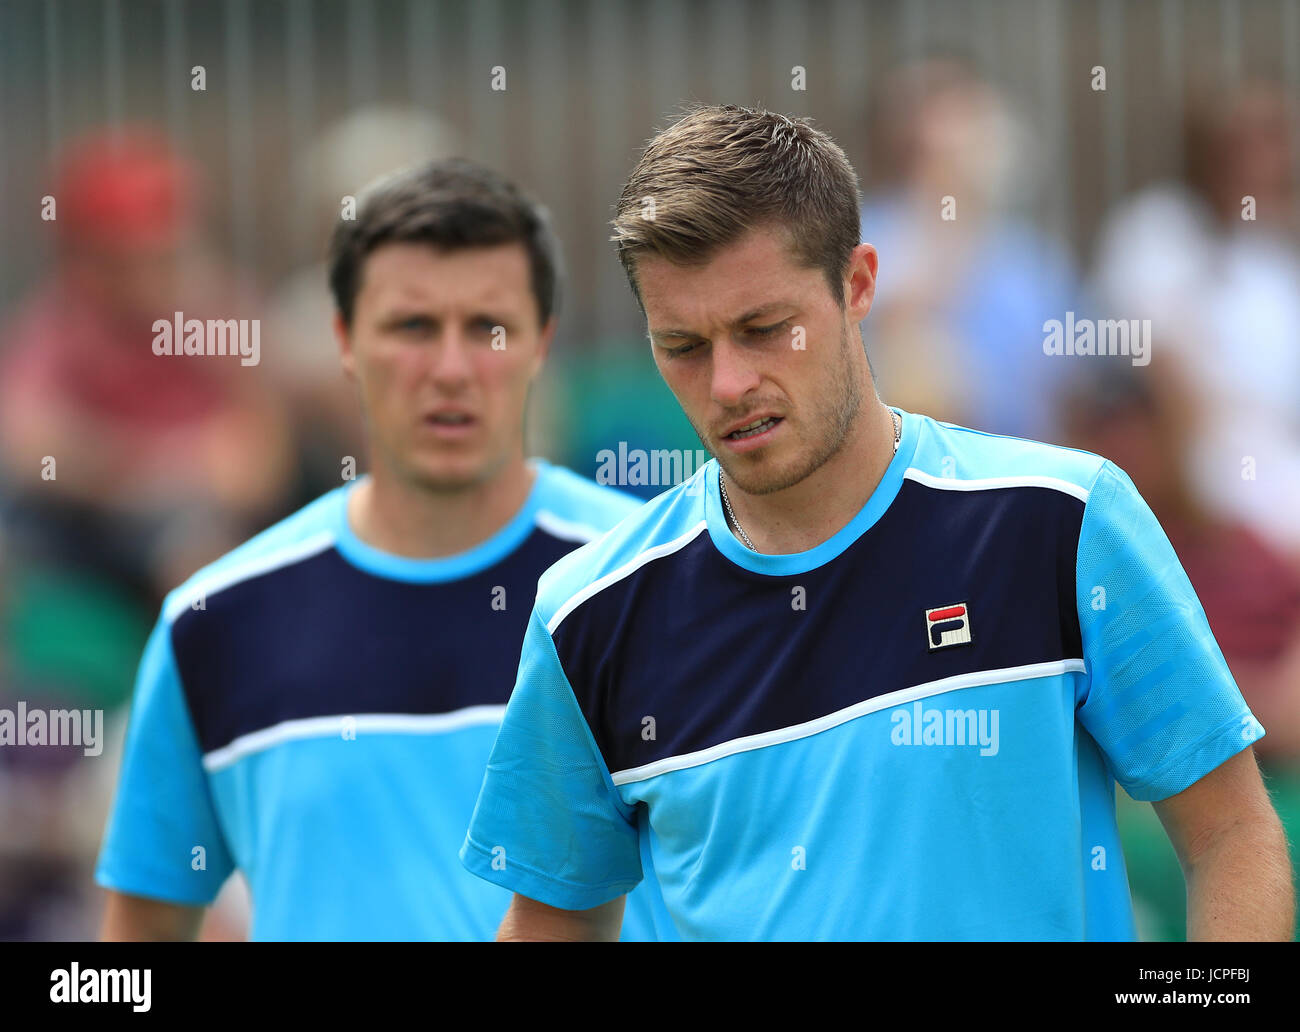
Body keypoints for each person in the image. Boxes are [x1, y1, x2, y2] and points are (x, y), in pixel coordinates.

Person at [460, 105, 1294, 941]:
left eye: (763, 329)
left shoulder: (1061, 523)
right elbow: (552, 922)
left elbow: (1230, 834)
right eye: (682, 345)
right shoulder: (589, 614)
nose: (726, 384)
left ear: (858, 284)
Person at [95, 159, 668, 941]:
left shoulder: (654, 580)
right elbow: (133, 952)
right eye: (412, 327)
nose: (451, 368)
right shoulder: (216, 620)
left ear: (542, 344)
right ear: (343, 342)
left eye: (488, 329)